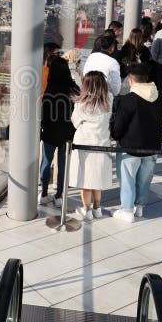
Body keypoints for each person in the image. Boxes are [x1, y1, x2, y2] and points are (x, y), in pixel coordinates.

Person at [110, 63, 162, 222]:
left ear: (131, 80)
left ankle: (127, 210)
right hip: (153, 146)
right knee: (145, 179)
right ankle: (140, 207)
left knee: (127, 178)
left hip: (130, 146)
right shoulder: (159, 97)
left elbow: (119, 124)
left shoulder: (128, 99)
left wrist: (115, 136)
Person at [69, 71, 113, 219]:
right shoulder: (109, 99)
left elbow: (75, 122)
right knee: (97, 179)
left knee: (85, 179)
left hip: (84, 145)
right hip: (102, 144)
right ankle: (97, 208)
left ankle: (86, 210)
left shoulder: (81, 103)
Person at [39, 55, 79, 207]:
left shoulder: (50, 88)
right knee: (62, 164)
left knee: (46, 162)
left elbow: (45, 113)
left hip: (50, 131)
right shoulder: (72, 87)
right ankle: (59, 195)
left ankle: (43, 193)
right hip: (68, 132)